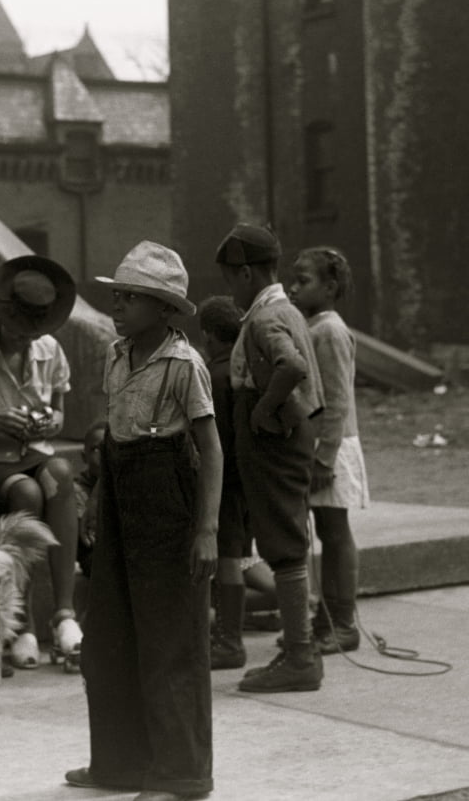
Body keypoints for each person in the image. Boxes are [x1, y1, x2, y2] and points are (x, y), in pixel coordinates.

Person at [66, 240, 221, 799]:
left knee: (168, 642)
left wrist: (206, 530)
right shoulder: (116, 353)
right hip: (121, 492)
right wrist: (101, 498)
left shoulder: (184, 365)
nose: (119, 306)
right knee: (107, 637)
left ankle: (180, 774)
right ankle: (118, 762)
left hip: (167, 503)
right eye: (117, 295)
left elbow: (211, 449)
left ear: (164, 309)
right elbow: (113, 439)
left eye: (133, 298)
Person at [216, 223, 326, 693]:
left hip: (275, 441)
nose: (228, 288)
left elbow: (293, 367)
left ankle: (300, 657)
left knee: (282, 549)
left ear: (244, 274)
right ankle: (298, 646)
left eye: (228, 278)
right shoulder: (285, 310)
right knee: (286, 543)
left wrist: (261, 410)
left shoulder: (264, 319)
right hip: (290, 438)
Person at [0, 255, 81, 670]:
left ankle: (63, 613)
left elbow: (61, 410)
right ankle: (21, 621)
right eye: (20, 329)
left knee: (60, 476)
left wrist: (50, 420)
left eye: (34, 331)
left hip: (36, 451)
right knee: (26, 492)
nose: (26, 338)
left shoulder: (49, 348)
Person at [288, 246, 369, 653]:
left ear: (330, 287)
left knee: (335, 533)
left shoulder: (330, 331)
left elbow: (336, 400)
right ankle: (328, 617)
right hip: (320, 446)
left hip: (331, 448)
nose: (293, 287)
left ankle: (342, 622)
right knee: (327, 531)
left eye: (303, 281)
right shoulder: (313, 326)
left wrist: (323, 456)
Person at [198, 295, 251, 670]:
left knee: (228, 558)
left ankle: (229, 641)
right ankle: (228, 635)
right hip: (244, 478)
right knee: (235, 556)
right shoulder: (242, 368)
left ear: (209, 337)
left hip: (222, 481)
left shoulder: (213, 376)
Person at [73, 420, 106, 623]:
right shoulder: (77, 489)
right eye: (95, 449)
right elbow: (86, 538)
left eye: (107, 449)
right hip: (91, 554)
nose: (102, 456)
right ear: (83, 456)